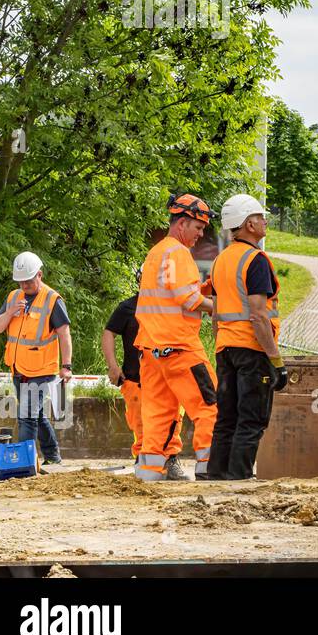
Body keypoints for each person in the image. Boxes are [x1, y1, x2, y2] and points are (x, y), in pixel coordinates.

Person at [133, 193, 218, 481]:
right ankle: (210, 468)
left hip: (151, 348)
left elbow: (169, 295)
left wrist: (204, 289)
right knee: (211, 406)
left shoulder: (157, 252)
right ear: (182, 223)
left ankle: (149, 473)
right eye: (198, 227)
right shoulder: (179, 253)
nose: (201, 234)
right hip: (180, 347)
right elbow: (186, 298)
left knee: (159, 414)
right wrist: (222, 307)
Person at [209, 194, 288, 480]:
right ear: (248, 224)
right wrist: (276, 361)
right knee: (251, 419)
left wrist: (220, 350)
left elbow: (216, 314)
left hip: (225, 349)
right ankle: (240, 479)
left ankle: (217, 477)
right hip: (252, 351)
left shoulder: (220, 261)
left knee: (226, 418)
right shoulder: (255, 260)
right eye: (260, 217)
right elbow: (258, 314)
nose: (265, 221)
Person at [0, 251, 72, 465]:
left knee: (26, 415)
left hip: (43, 370)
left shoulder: (52, 299)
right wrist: (9, 314)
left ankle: (23, 461)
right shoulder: (12, 297)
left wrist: (66, 366)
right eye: (21, 281)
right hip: (19, 368)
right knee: (38, 415)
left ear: (40, 275)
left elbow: (64, 334)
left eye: (28, 280)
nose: (24, 285)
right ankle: (53, 455)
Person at [101, 279, 186, 477]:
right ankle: (144, 461)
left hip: (167, 379)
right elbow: (109, 333)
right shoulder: (128, 307)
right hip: (135, 379)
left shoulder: (171, 308)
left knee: (173, 421)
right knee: (140, 424)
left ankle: (171, 459)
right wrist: (112, 366)